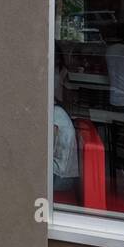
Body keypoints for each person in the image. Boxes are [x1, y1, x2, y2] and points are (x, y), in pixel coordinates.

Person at [52, 60, 80, 194]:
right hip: (63, 175)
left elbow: (45, 151)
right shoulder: (57, 112)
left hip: (60, 177)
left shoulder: (54, 115)